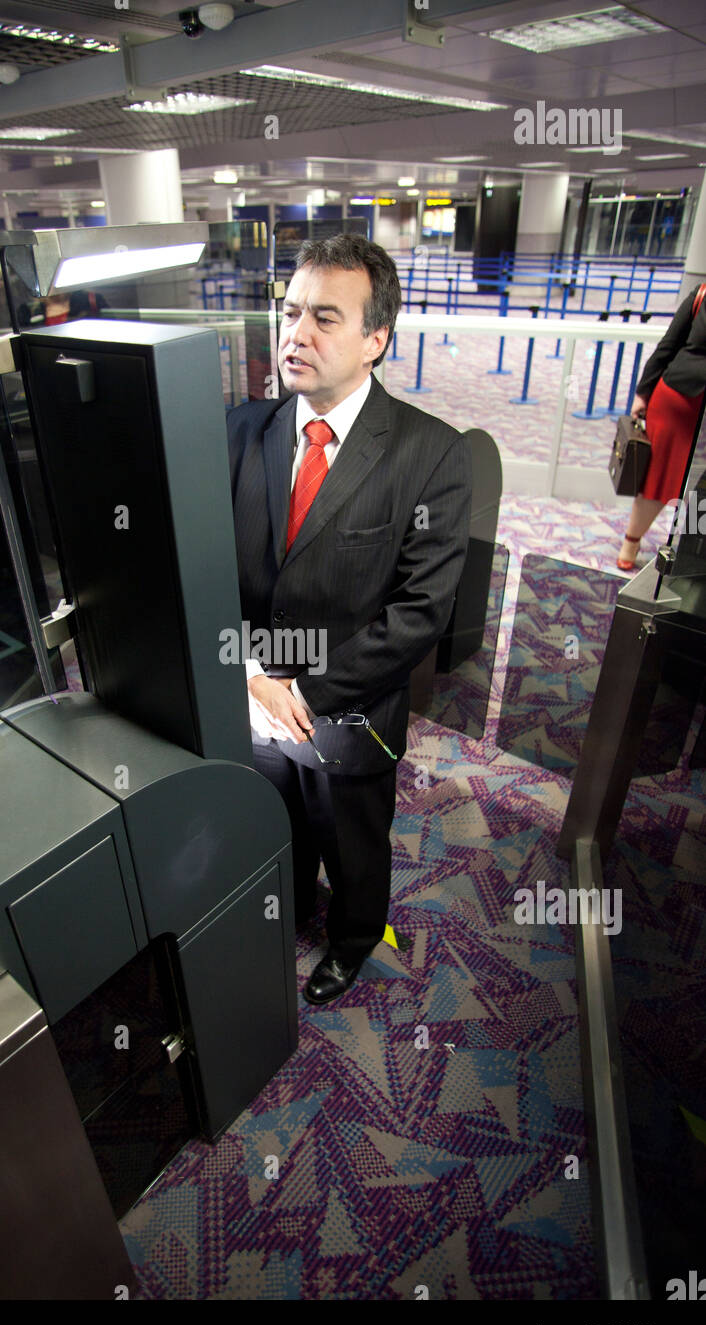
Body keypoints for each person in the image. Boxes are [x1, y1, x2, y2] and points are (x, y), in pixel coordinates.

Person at [227, 234, 471, 1005]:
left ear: (376, 340)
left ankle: (353, 937)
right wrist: (254, 675)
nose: (296, 334)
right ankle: (293, 909)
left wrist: (307, 693)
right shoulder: (244, 429)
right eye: (291, 311)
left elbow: (419, 612)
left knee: (352, 840)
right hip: (253, 690)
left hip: (348, 708)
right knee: (277, 822)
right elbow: (206, 568)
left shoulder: (431, 454)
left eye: (325, 318)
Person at [617, 282, 706, 570]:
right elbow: (669, 345)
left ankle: (694, 550)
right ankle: (632, 539)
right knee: (658, 476)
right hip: (680, 400)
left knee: (700, 486)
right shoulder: (702, 293)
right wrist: (643, 393)